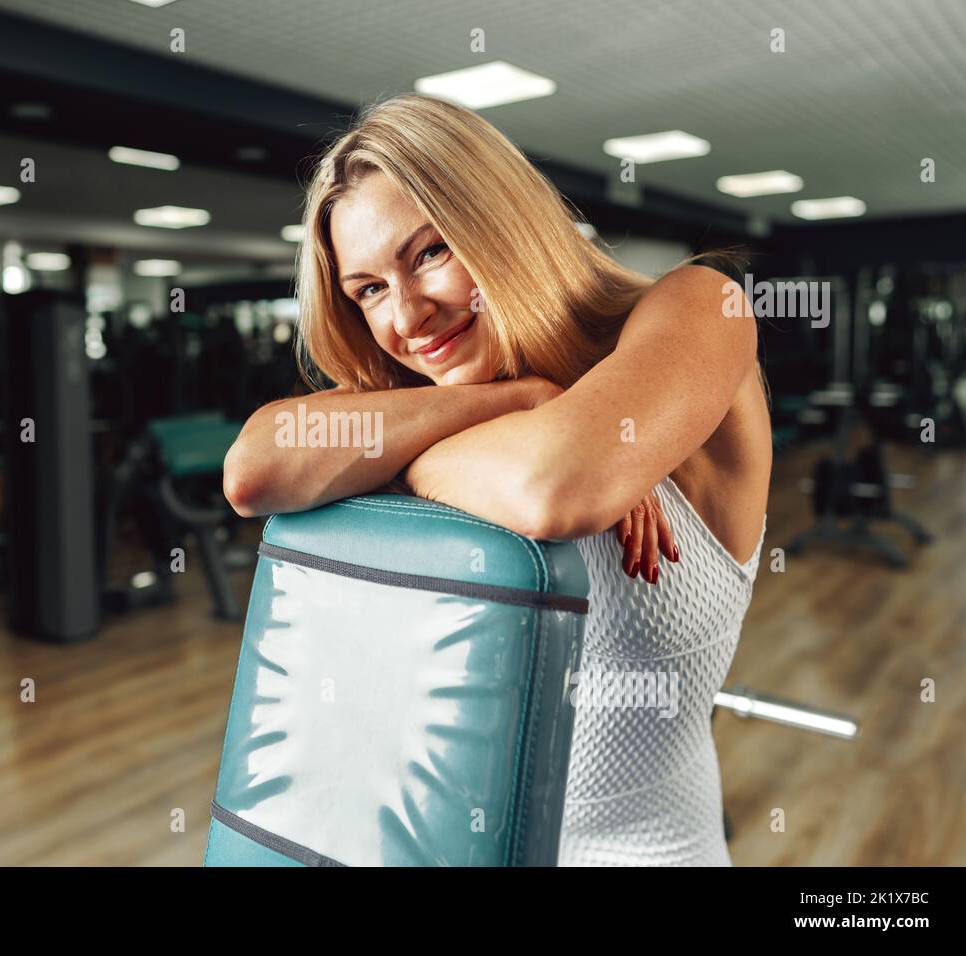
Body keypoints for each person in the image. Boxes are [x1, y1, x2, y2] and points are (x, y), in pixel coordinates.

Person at [222, 93, 772, 866]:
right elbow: (253, 471)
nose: (408, 316)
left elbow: (558, 485)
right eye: (369, 289)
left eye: (430, 253)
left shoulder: (700, 304)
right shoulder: (433, 399)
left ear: (501, 222)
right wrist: (525, 400)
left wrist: (402, 463)